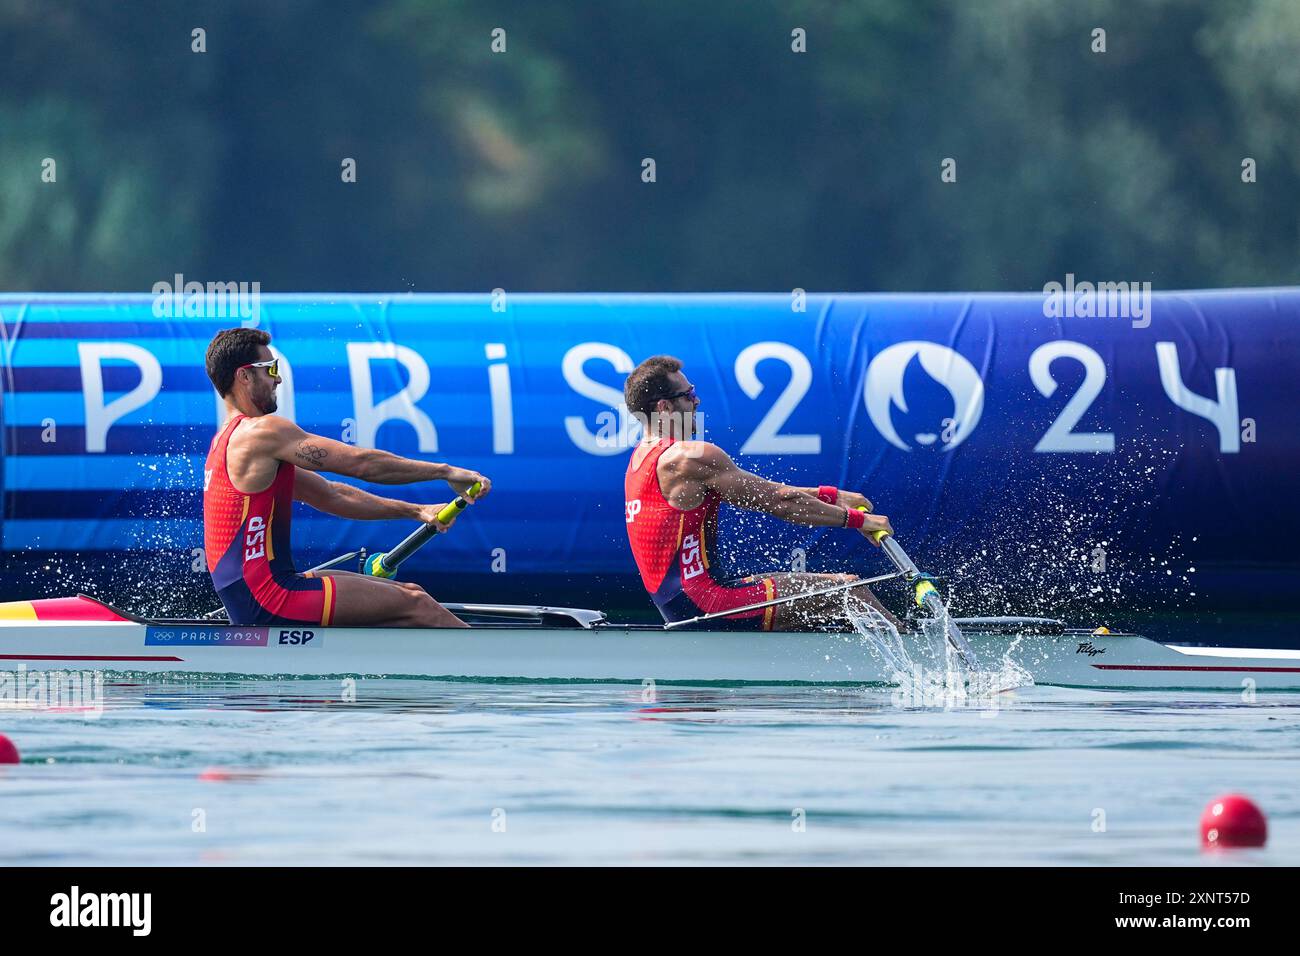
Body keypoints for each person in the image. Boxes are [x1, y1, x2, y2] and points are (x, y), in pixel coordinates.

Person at [202, 327, 489, 628]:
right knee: (419, 605)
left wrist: (416, 511)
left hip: (254, 595)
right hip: (269, 597)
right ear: (244, 376)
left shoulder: (225, 442)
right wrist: (445, 472)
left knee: (409, 596)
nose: (278, 379)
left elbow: (330, 495)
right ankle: (496, 667)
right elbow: (361, 464)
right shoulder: (261, 432)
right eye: (271, 369)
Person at [623, 355, 899, 632]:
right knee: (848, 590)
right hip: (704, 602)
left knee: (825, 598)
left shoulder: (640, 461)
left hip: (686, 601)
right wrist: (859, 521)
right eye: (689, 394)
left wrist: (830, 496)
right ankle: (919, 662)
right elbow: (781, 503)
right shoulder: (686, 458)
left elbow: (764, 494)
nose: (697, 401)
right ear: (665, 407)